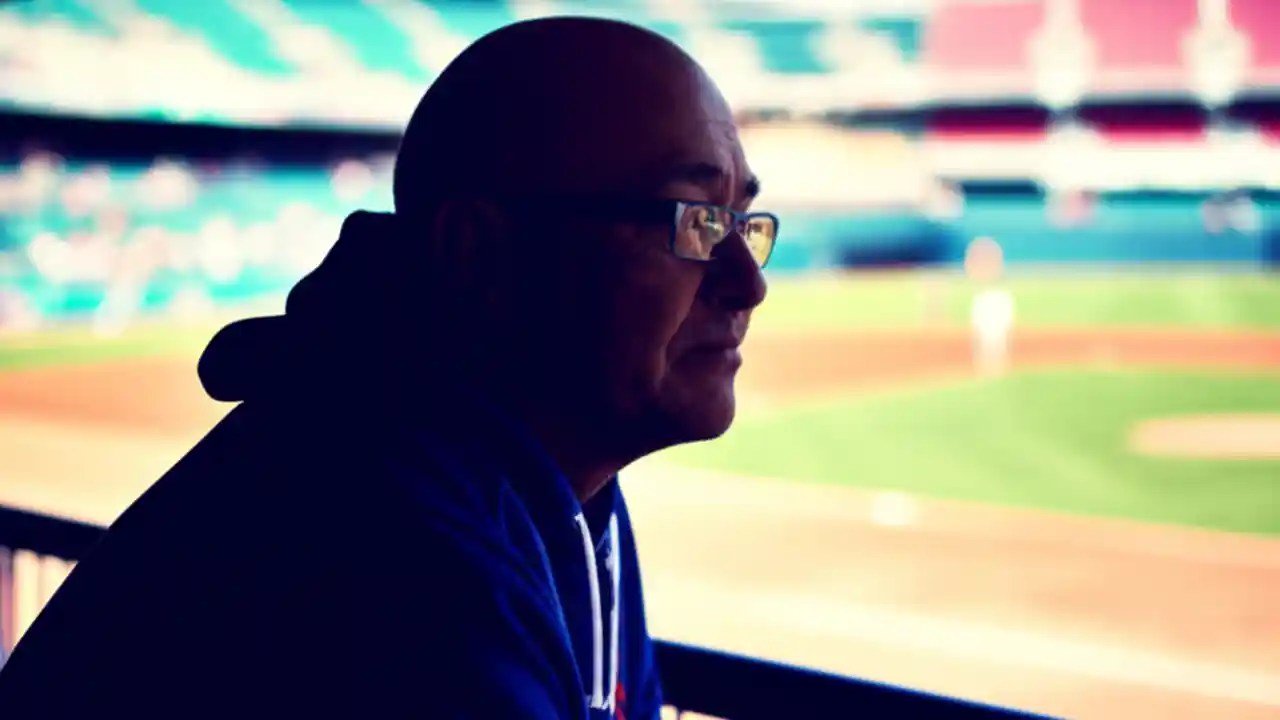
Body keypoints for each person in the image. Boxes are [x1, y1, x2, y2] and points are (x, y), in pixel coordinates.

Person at [0, 17, 775, 720]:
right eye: (693, 220)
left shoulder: (546, 485)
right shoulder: (389, 562)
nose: (749, 282)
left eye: (742, 221)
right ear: (476, 251)